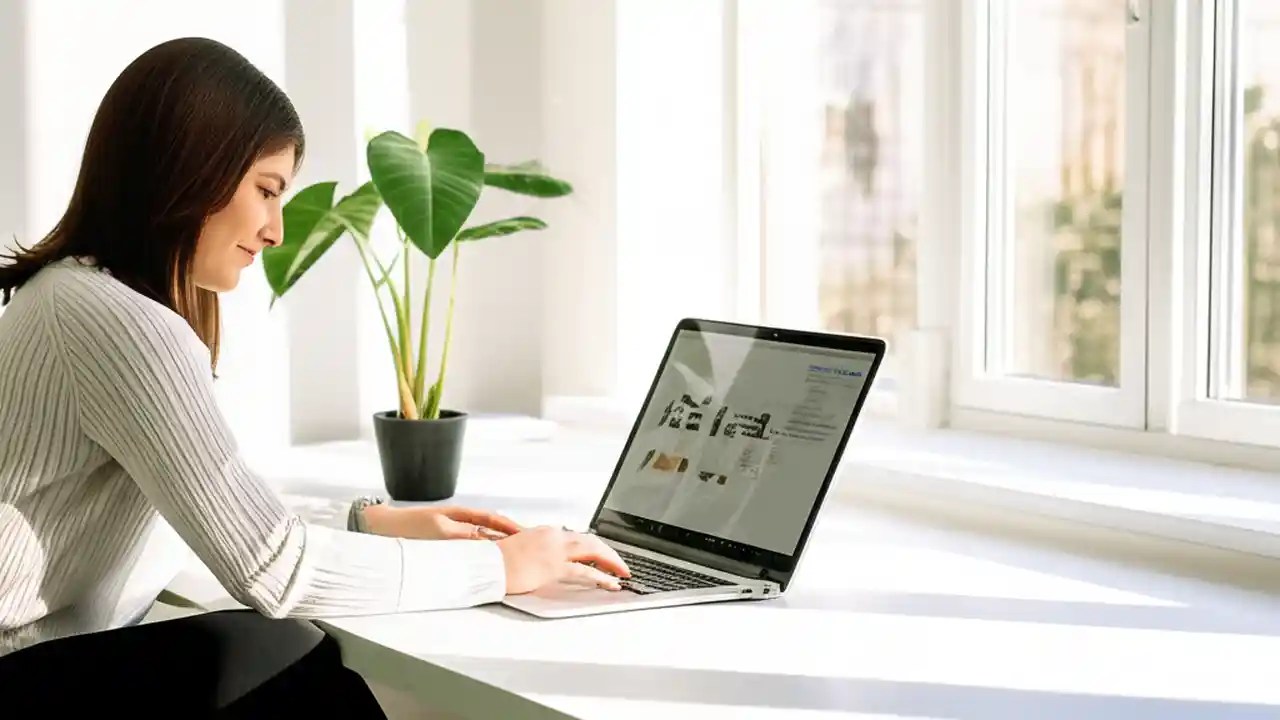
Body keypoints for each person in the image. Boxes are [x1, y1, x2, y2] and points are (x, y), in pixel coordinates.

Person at [0, 37, 629, 716]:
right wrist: (504, 567)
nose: (275, 230)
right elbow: (271, 569)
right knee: (298, 667)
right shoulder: (122, 325)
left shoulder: (67, 294)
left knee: (285, 659)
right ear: (189, 170)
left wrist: (366, 521)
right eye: (266, 191)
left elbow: (202, 504)